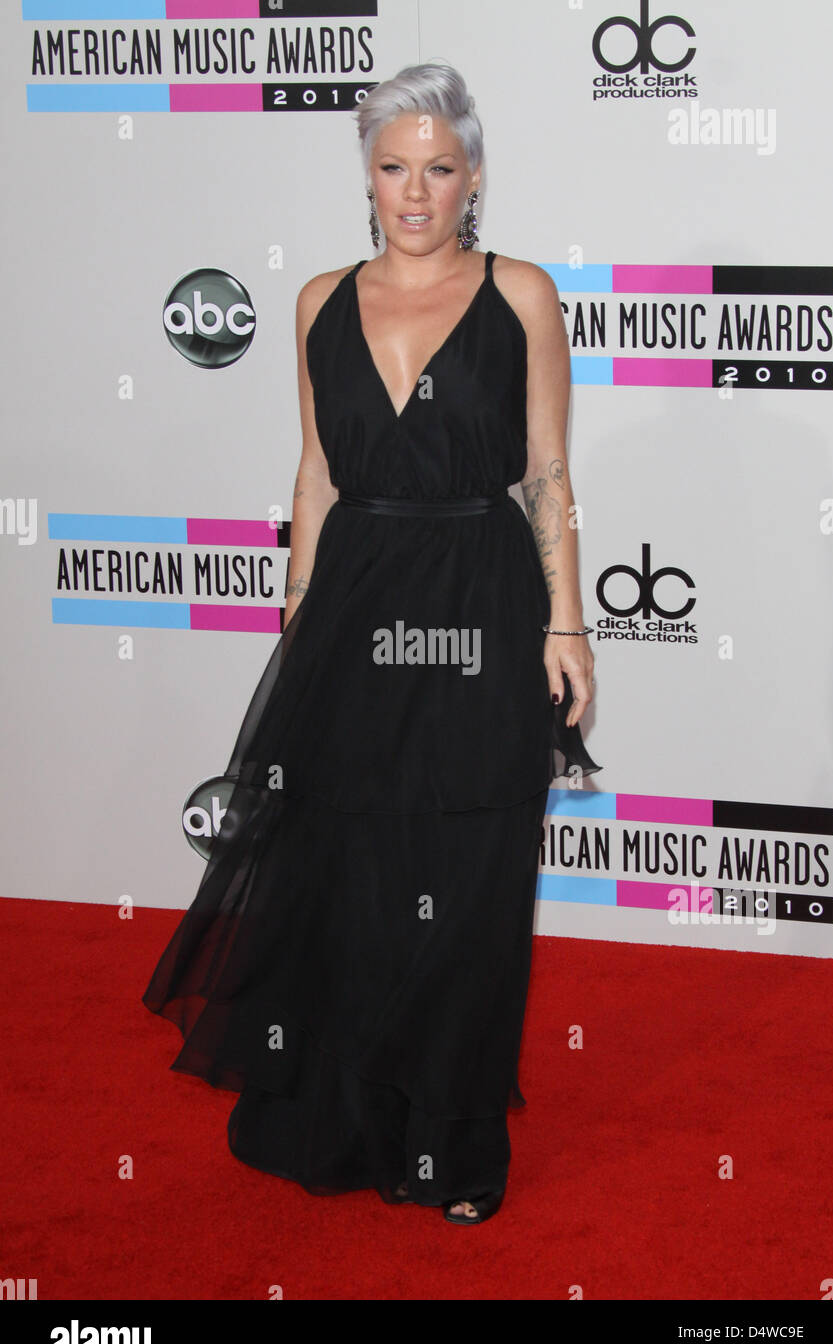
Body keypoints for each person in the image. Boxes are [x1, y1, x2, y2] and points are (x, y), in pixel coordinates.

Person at [143, 59, 601, 1226]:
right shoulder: (314, 303)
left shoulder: (524, 297)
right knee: (350, 874)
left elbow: (545, 472)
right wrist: (298, 618)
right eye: (393, 167)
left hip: (481, 605)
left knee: (470, 876)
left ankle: (451, 1142)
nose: (414, 190)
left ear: (473, 178)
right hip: (353, 606)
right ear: (366, 175)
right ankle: (350, 1114)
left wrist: (569, 622)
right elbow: (314, 472)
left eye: (437, 168)